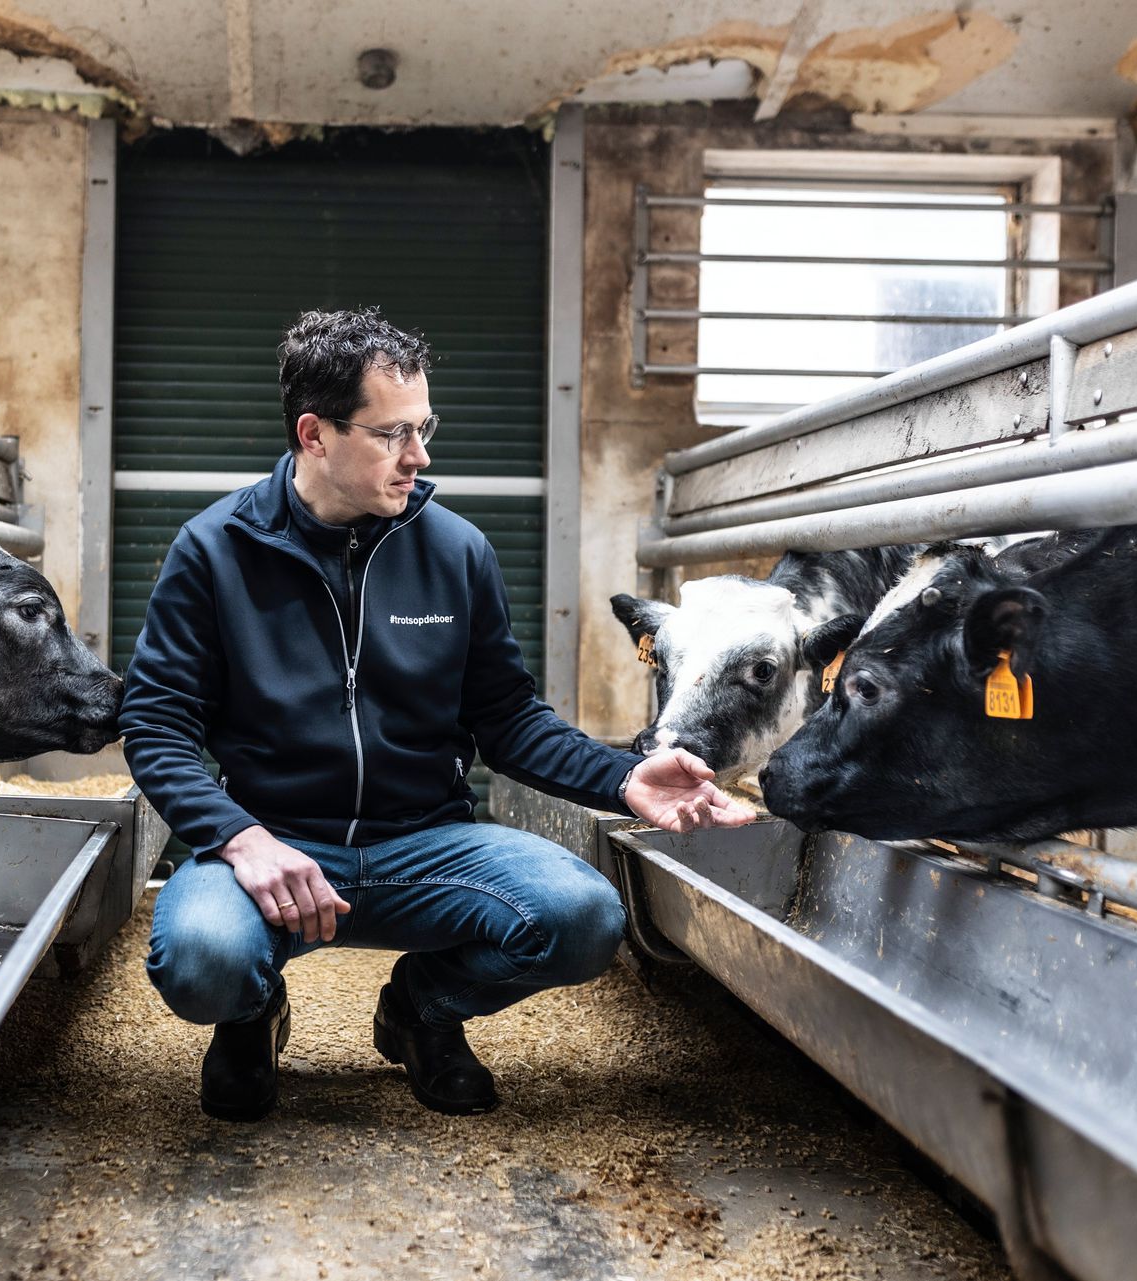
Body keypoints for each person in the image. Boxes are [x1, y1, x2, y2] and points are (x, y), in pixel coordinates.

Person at [119, 308, 754, 1121]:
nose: (420, 455)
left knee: (585, 917)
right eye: (391, 434)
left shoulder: (457, 552)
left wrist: (626, 778)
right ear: (314, 435)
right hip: (274, 844)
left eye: (424, 426)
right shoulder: (213, 550)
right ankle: (251, 1014)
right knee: (202, 956)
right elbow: (157, 724)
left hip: (423, 842)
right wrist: (243, 840)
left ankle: (422, 1009)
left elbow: (508, 718)